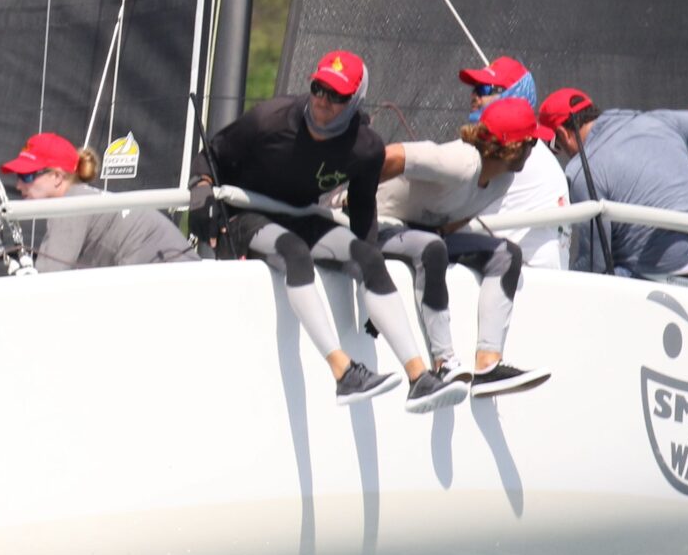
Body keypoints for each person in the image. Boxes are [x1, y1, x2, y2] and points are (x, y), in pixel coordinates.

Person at [196, 50, 436, 408]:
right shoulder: (270, 120)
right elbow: (210, 155)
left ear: (355, 101)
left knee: (368, 256)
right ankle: (344, 374)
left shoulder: (367, 148)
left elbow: (363, 208)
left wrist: (368, 290)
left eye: (336, 95)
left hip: (299, 215)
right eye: (318, 88)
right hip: (245, 215)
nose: (323, 100)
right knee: (294, 252)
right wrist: (200, 192)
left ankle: (420, 377)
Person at [375, 97, 549, 398]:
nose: (534, 149)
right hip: (377, 223)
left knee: (506, 254)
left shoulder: (502, 179)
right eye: (531, 142)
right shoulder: (460, 162)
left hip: (422, 231)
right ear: (512, 147)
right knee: (432, 247)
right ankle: (443, 363)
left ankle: (488, 365)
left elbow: (459, 215)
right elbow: (389, 156)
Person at [541, 88, 688, 279]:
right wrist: (673, 143)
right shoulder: (658, 121)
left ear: (563, 134)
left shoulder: (580, 172)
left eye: (556, 145)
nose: (560, 152)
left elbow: (595, 263)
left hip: (675, 271)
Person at [2, 131, 197, 272]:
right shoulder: (81, 197)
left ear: (57, 177)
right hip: (180, 272)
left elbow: (47, 278)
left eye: (26, 176)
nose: (19, 185)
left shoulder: (70, 206)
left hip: (171, 275)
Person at [459, 55, 570, 272]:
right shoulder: (531, 149)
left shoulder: (508, 150)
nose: (474, 96)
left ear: (512, 98)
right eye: (474, 89)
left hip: (519, 274)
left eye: (484, 89)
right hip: (536, 273)